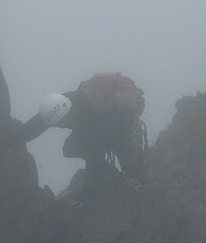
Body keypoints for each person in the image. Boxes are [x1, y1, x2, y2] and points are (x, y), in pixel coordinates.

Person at [16, 72, 147, 192]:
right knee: (76, 147)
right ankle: (136, 181)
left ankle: (143, 186)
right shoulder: (63, 104)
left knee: (130, 166)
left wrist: (89, 192)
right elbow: (38, 124)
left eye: (60, 122)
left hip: (121, 126)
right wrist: (18, 136)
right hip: (108, 123)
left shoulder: (90, 117)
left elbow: (95, 155)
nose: (59, 125)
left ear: (65, 116)